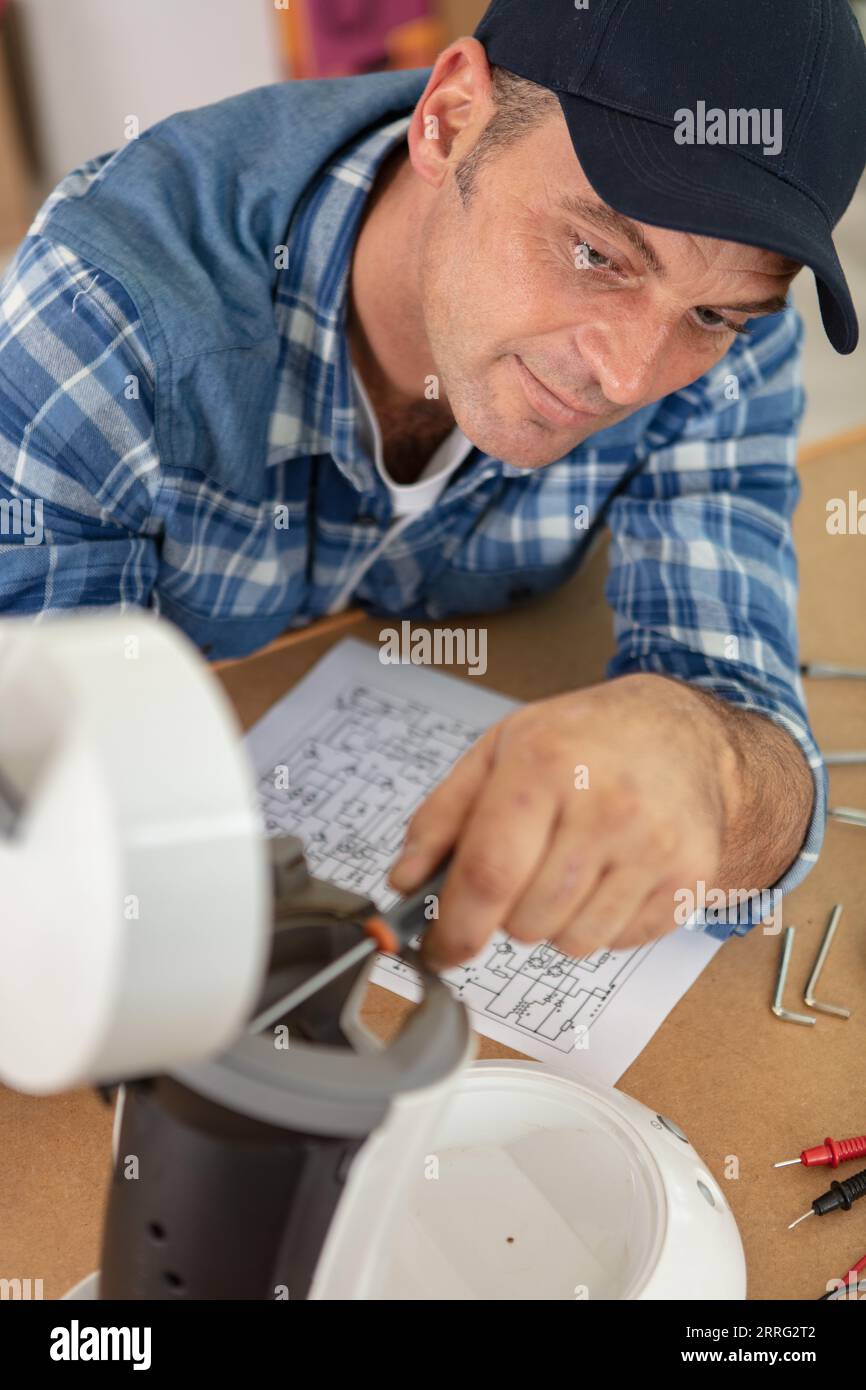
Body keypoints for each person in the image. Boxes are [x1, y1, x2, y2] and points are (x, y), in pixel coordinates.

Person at [1, 0, 865, 968]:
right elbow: (40, 829)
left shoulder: (726, 339)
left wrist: (709, 768)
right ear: (448, 119)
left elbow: (751, 723)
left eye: (710, 314)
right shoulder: (100, 329)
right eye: (595, 253)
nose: (625, 375)